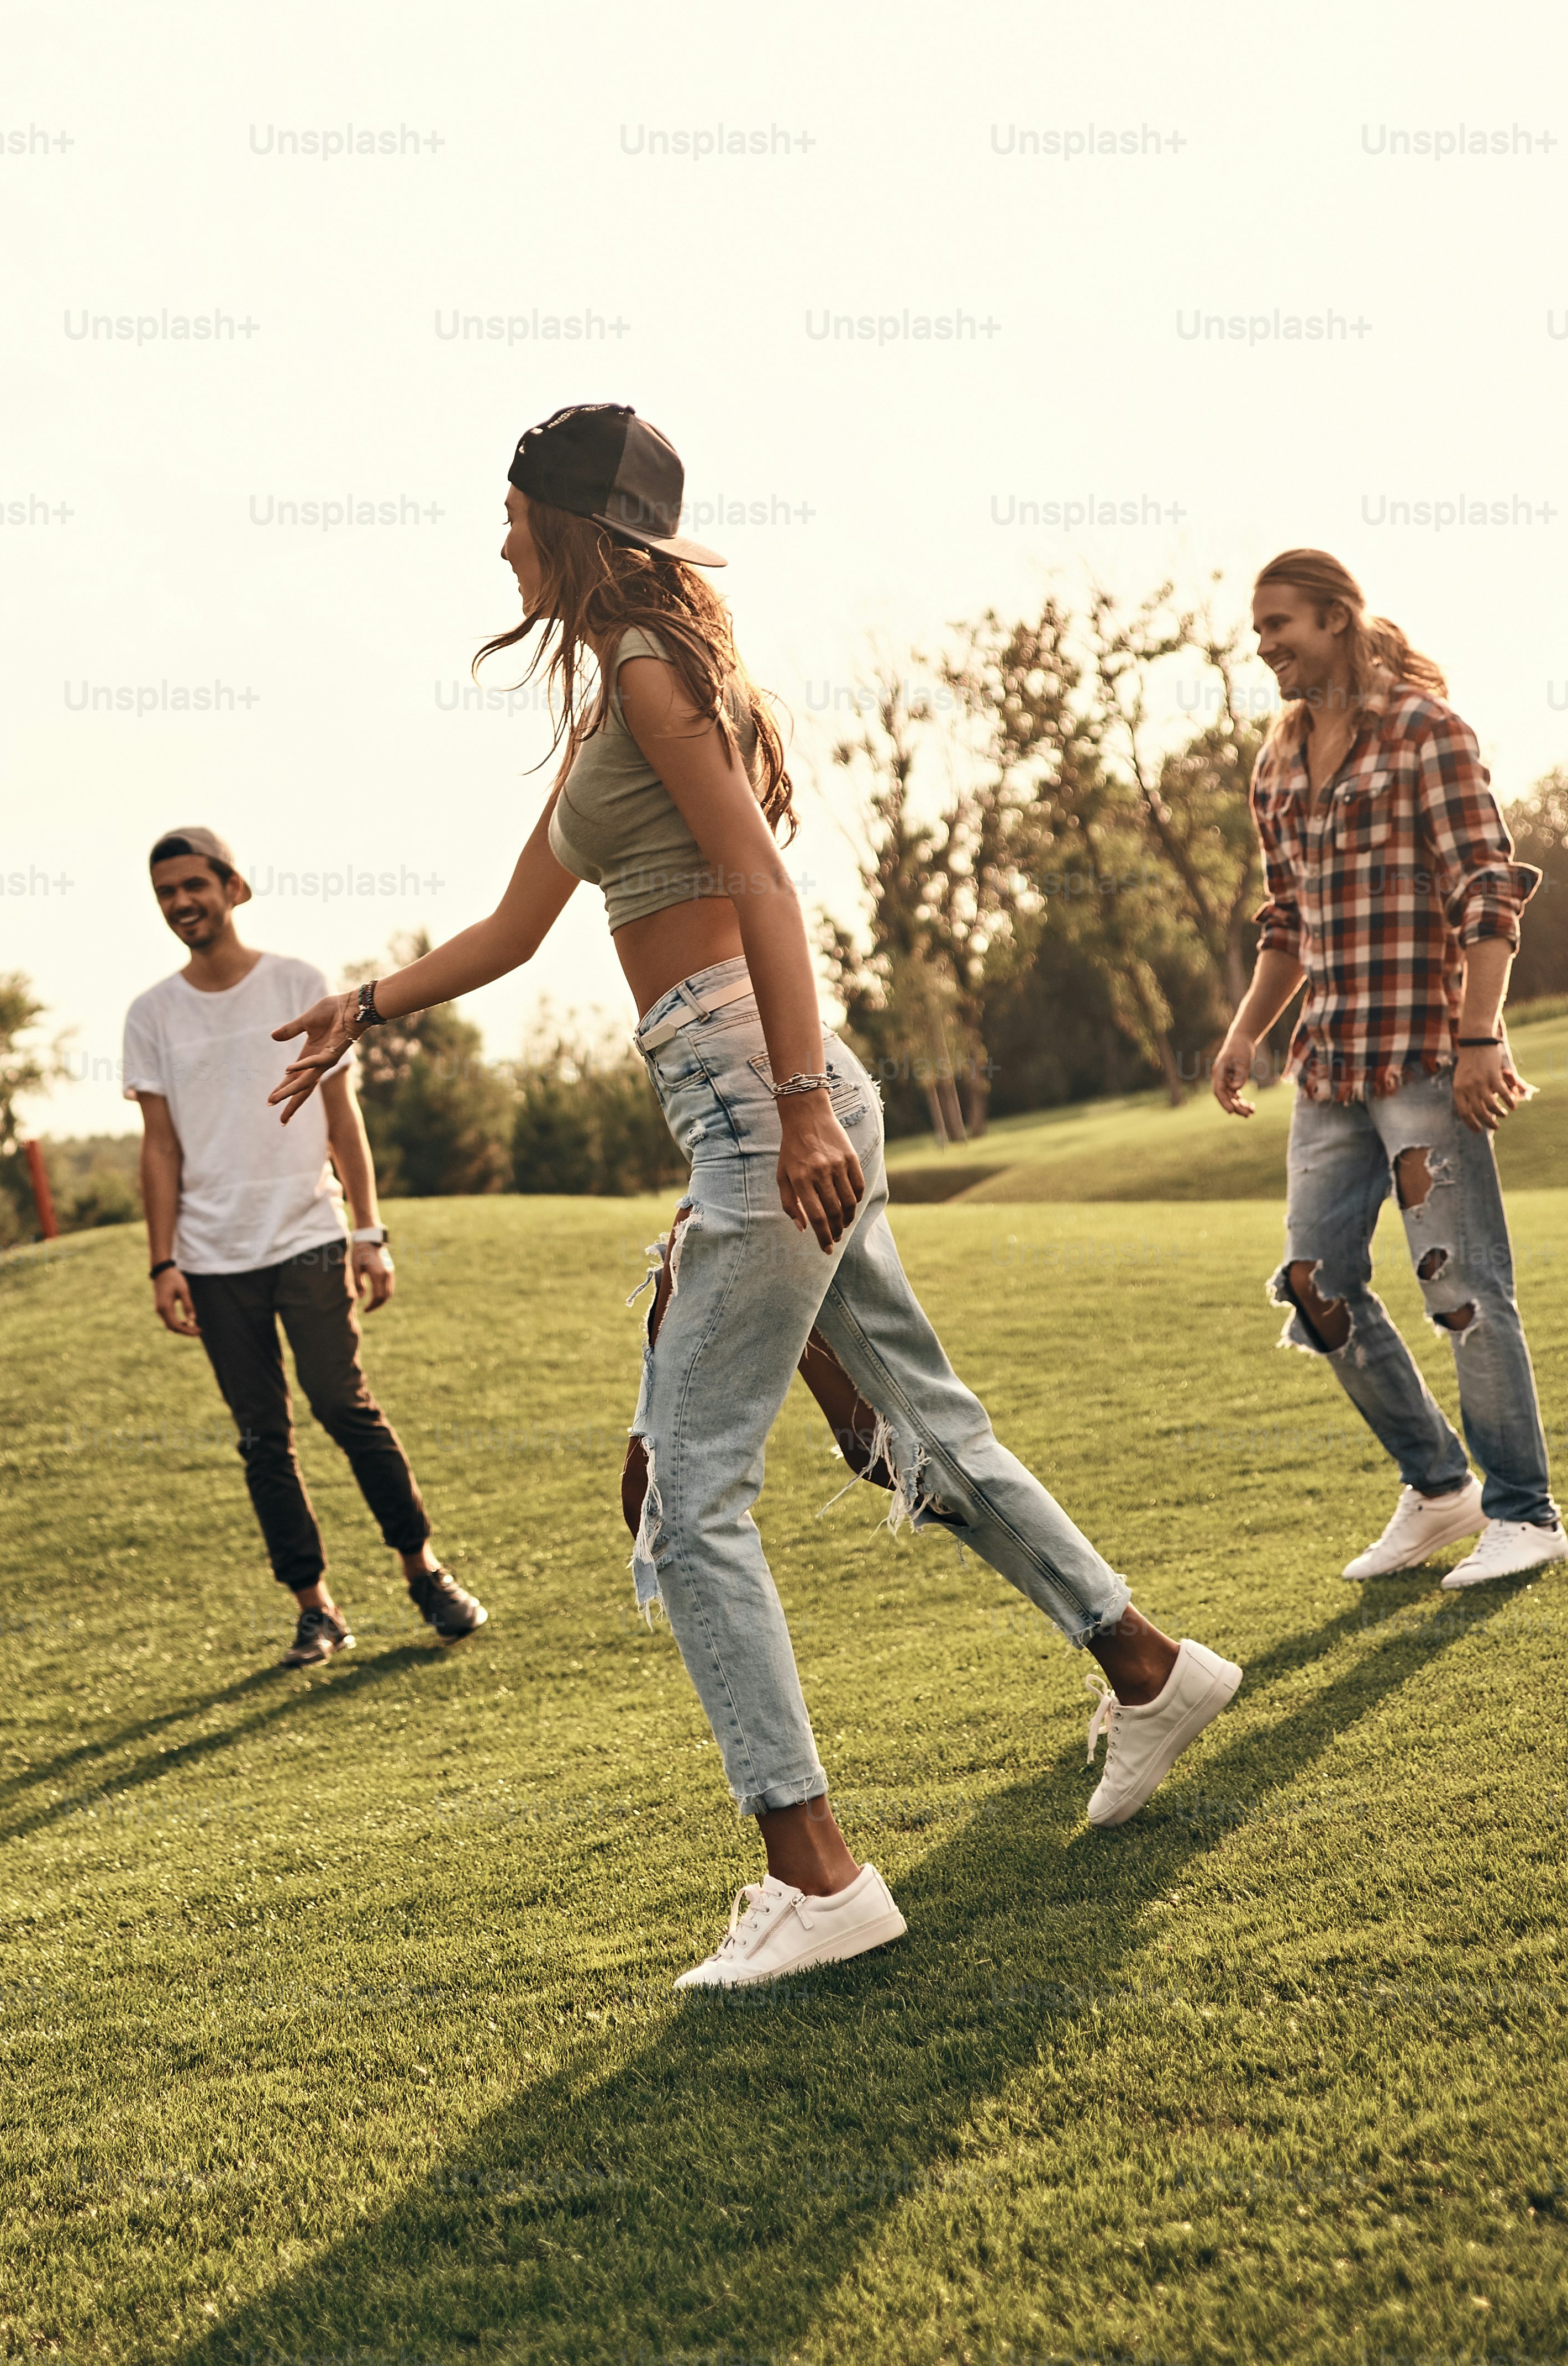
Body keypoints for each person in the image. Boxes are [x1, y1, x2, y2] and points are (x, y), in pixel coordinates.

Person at [265, 405, 1241, 1992]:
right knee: (911, 1426)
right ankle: (1147, 1669)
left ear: (568, 526)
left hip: (758, 1092)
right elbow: (515, 928)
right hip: (757, 1088)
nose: (498, 544)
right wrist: (364, 1005)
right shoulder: (621, 687)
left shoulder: (652, 671)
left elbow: (766, 887)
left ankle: (816, 1876)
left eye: (510, 516)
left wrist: (790, 1108)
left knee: (685, 1491)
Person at [1212, 549, 1568, 1588]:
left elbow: (1486, 891)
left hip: (1421, 1054)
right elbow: (1287, 922)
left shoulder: (1425, 732)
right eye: (1257, 628)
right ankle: (1439, 1485)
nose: (1264, 645)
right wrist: (1244, 1032)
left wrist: (1478, 1037)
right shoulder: (1277, 763)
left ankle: (1524, 1512)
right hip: (1328, 1065)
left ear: (1335, 618)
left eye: (1279, 624)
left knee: (1461, 1286)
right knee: (1314, 1283)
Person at [128, 827, 490, 1667]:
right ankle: (315, 1609)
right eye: (166, 892)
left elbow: (342, 1119)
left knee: (341, 1402)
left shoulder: (296, 983)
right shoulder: (151, 1015)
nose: (180, 902)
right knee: (262, 1436)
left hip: (309, 1235)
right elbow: (159, 1147)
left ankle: (424, 1572)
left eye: (193, 885)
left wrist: (368, 1232)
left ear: (233, 887)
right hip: (212, 1257)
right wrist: (162, 1261)